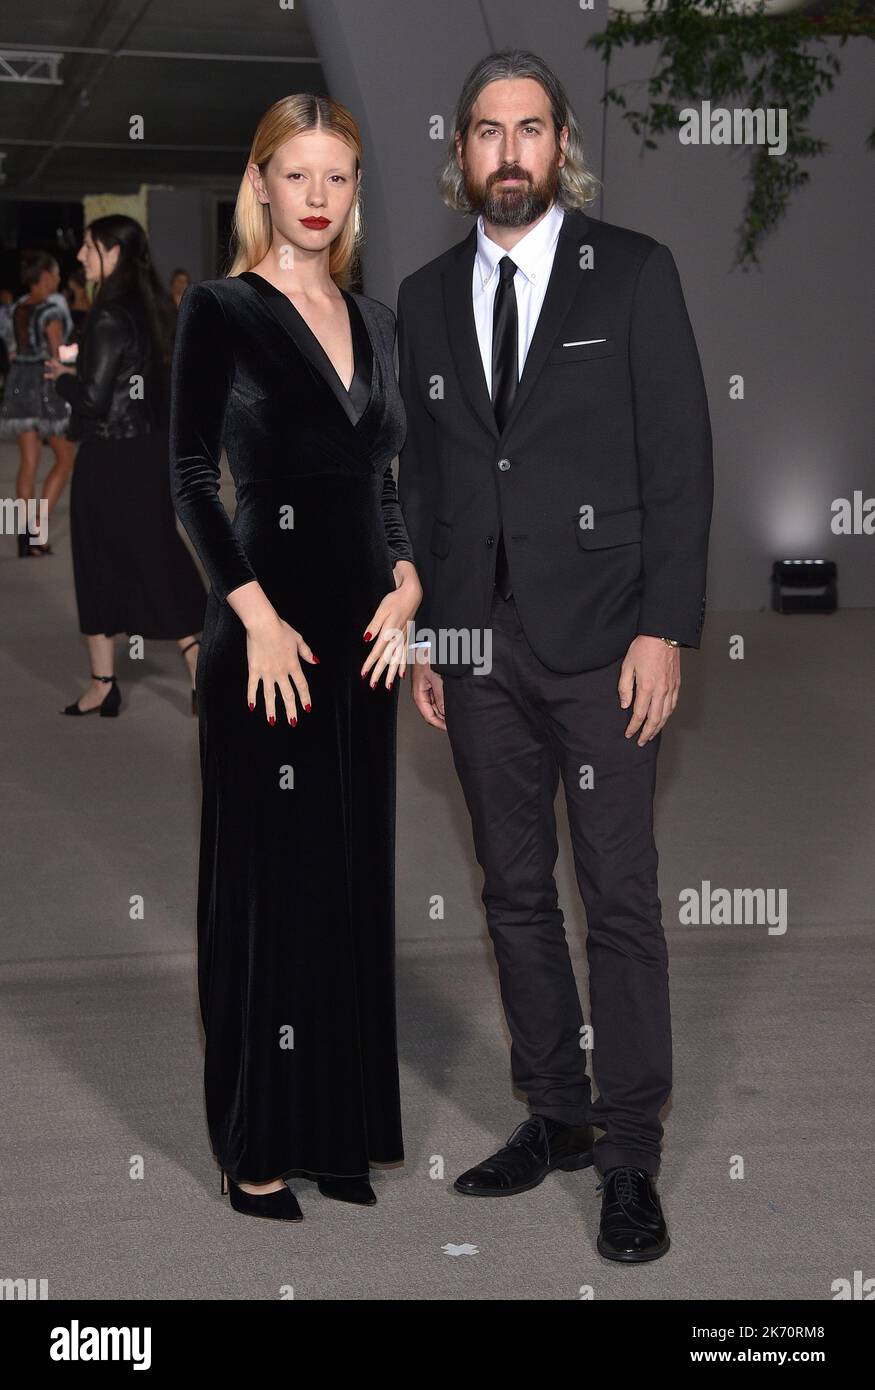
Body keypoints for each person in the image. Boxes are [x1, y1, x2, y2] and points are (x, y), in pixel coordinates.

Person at [397, 49, 713, 1263]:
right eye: (487, 132)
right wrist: (432, 633)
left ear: (560, 144)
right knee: (513, 890)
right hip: (476, 639)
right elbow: (425, 478)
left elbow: (677, 461)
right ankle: (555, 1110)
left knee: (617, 897)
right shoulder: (422, 297)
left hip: (603, 642)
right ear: (461, 152)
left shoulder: (629, 273)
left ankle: (627, 1153)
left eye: (529, 130)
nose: (509, 153)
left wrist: (664, 628)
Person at [169, 94, 422, 1221]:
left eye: (338, 179)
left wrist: (409, 580)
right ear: (260, 181)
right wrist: (253, 613)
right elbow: (185, 479)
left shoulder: (374, 320)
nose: (318, 200)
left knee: (348, 882)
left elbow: (387, 483)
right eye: (299, 176)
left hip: (363, 641)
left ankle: (332, 1130)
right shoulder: (220, 309)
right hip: (268, 637)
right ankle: (253, 1137)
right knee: (266, 891)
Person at [46, 216, 206, 716]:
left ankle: (103, 683)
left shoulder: (110, 313)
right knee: (156, 553)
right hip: (150, 452)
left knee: (96, 560)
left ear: (112, 251)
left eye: (89, 248)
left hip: (110, 456)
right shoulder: (157, 306)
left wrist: (62, 380)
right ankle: (203, 670)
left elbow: (93, 402)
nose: (80, 258)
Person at [0, 251, 76, 556]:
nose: (58, 279)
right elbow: (59, 354)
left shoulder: (15, 308)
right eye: (56, 273)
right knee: (65, 458)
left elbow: (11, 352)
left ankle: (24, 534)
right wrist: (78, 357)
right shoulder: (49, 312)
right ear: (45, 276)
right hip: (44, 384)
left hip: (19, 383)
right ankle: (37, 532)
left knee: (28, 464)